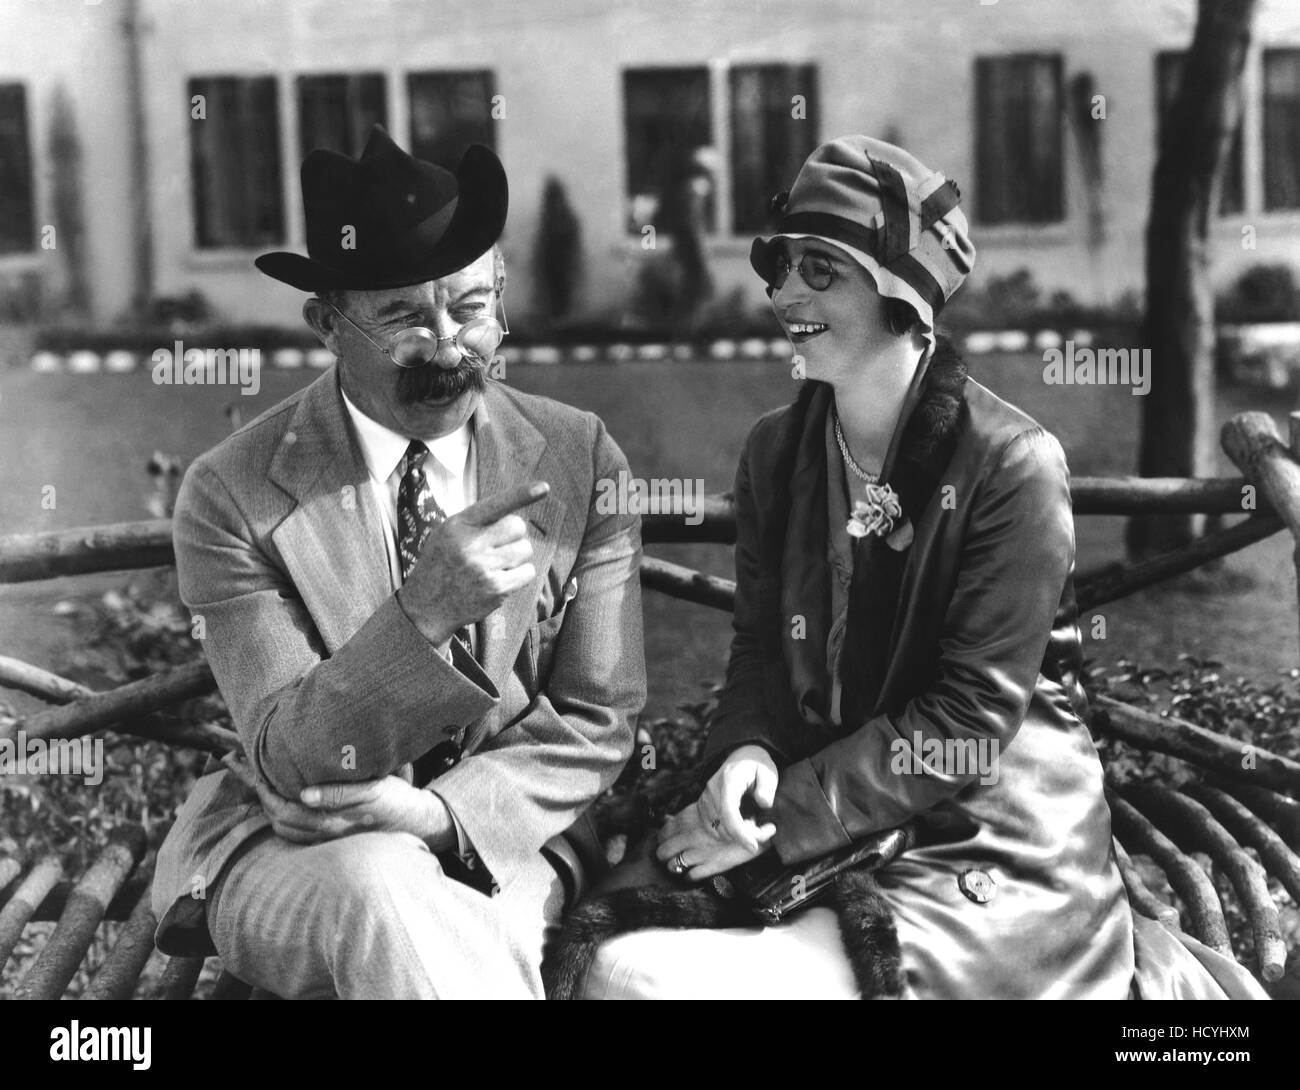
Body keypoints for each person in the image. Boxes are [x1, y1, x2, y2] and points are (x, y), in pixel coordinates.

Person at [579, 136, 1265, 1000]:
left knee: (646, 980)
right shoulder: (775, 451)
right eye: (783, 265)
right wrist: (747, 755)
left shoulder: (1012, 464)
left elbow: (970, 716)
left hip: (985, 825)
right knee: (602, 958)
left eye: (822, 270)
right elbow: (759, 648)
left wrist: (782, 813)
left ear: (903, 294)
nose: (785, 293)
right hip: (821, 800)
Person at [150, 126, 646, 999]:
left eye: (471, 307)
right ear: (328, 326)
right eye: (406, 318)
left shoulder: (579, 456)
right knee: (383, 887)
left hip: (503, 842)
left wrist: (433, 815)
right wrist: (423, 615)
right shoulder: (234, 493)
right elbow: (294, 760)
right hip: (302, 851)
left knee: (444, 925)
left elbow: (598, 719)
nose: (449, 345)